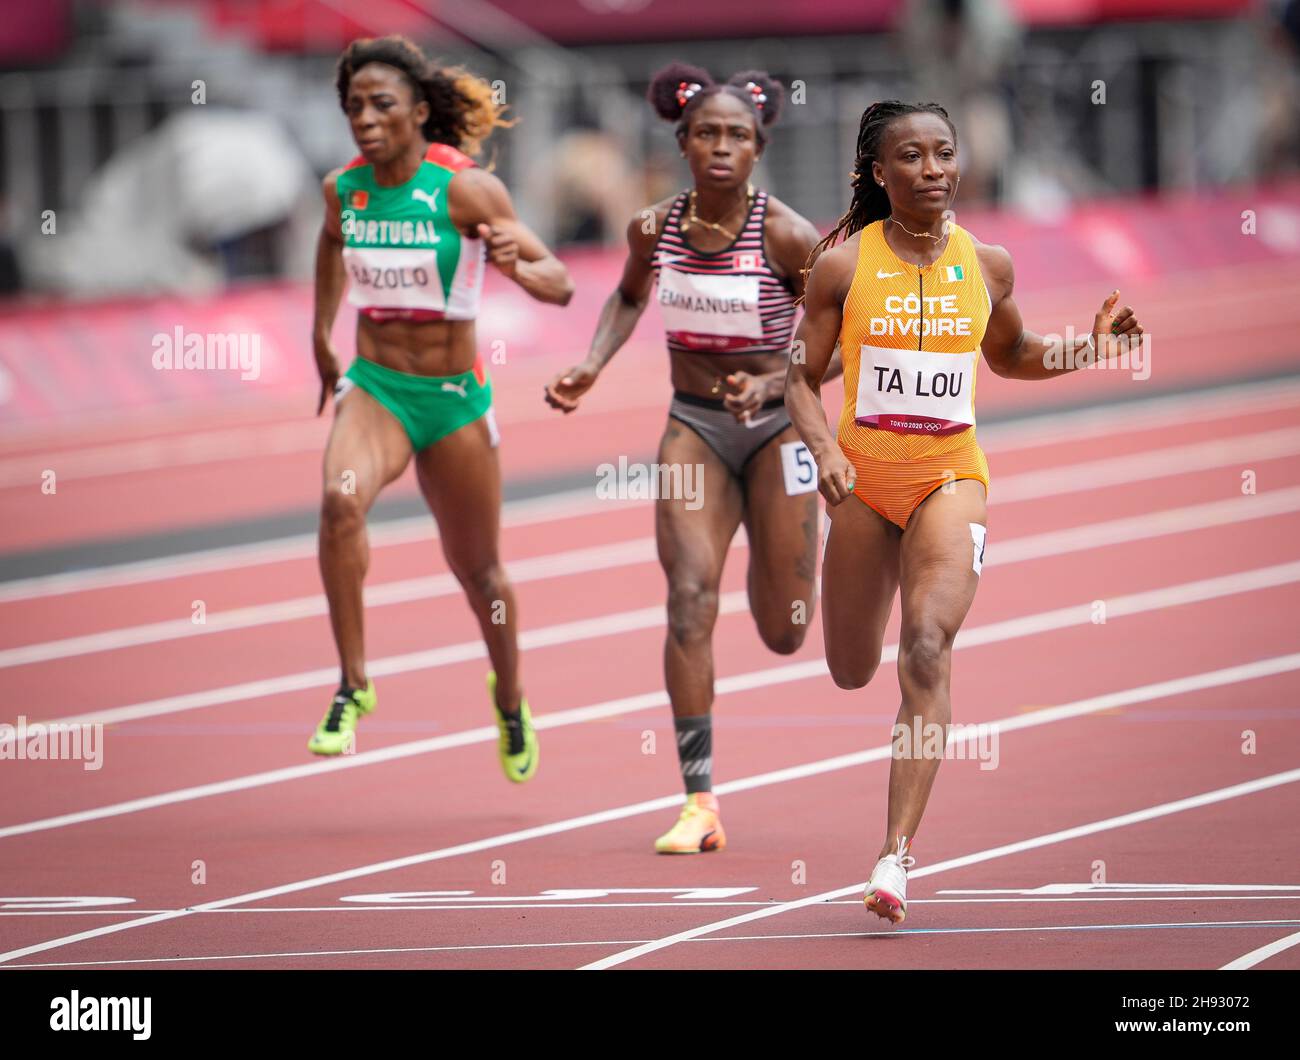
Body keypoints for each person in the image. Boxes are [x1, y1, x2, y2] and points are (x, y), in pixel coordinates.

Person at [784, 100, 1144, 921]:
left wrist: (1093, 345)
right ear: (880, 173)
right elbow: (798, 380)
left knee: (926, 646)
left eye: (945, 153)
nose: (934, 170)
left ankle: (895, 856)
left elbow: (1012, 355)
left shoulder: (989, 263)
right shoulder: (839, 267)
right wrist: (827, 453)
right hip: (863, 485)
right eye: (911, 156)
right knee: (848, 667)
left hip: (952, 477)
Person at [545, 64, 836, 854]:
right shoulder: (653, 229)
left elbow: (837, 339)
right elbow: (631, 296)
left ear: (757, 147)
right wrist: (593, 363)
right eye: (706, 132)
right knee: (687, 599)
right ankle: (699, 800)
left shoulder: (788, 235)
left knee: (784, 630)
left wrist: (777, 381)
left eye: (737, 136)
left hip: (778, 433)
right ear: (682, 142)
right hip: (694, 429)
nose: (720, 146)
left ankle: (777, 556)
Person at [309, 36, 573, 783]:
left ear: (420, 111)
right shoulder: (343, 191)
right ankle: (353, 684)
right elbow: (331, 246)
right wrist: (320, 337)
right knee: (339, 500)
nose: (365, 117)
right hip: (378, 388)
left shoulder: (464, 191)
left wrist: (528, 270)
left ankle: (512, 698)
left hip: (453, 401)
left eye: (381, 104)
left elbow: (559, 283)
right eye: (354, 105)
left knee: (480, 572)